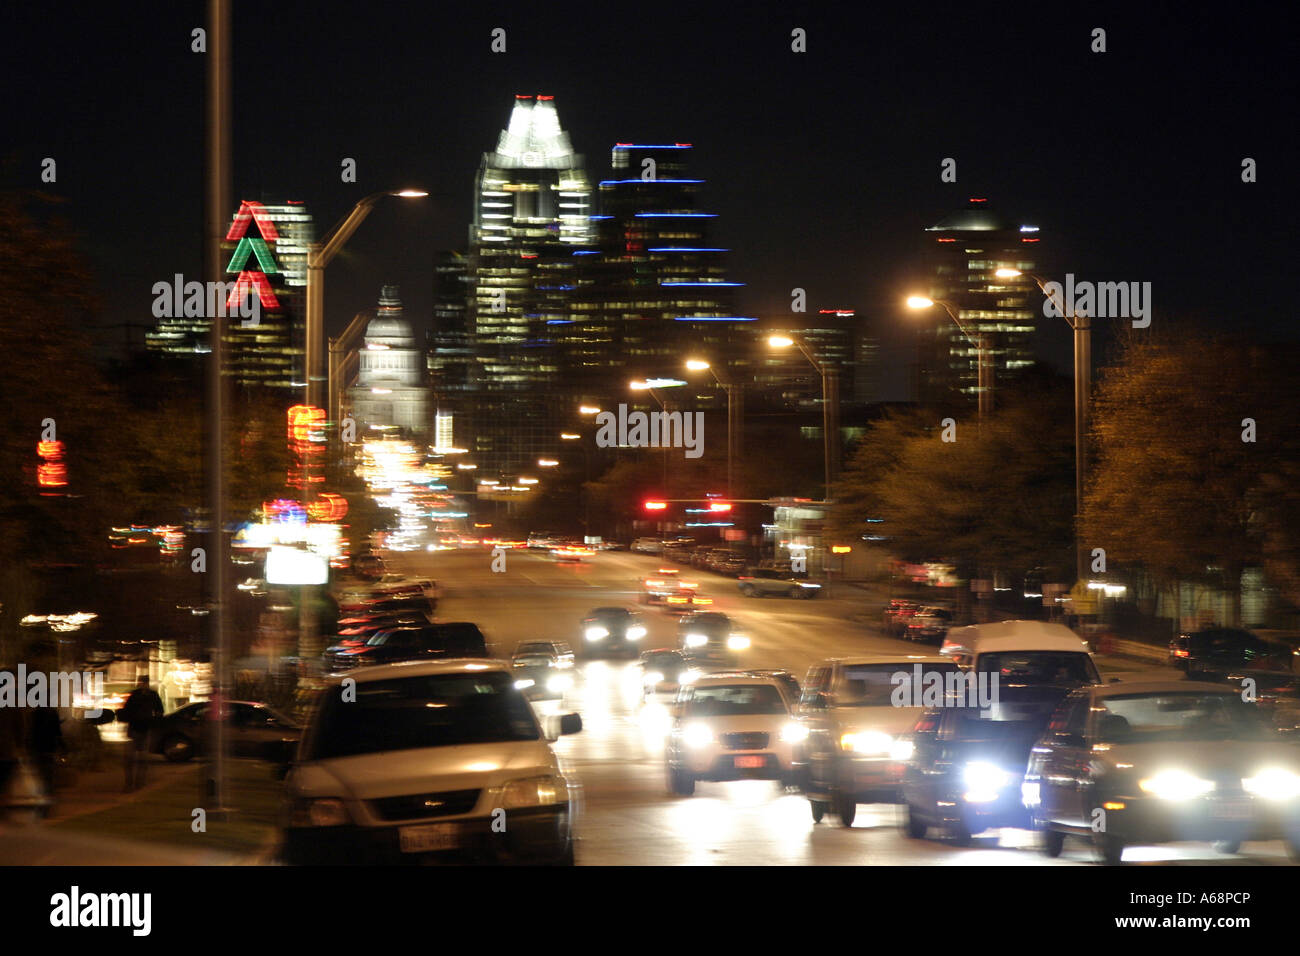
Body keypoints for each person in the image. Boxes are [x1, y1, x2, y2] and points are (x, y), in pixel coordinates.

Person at [119, 675, 163, 791]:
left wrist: (154, 721)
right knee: (131, 758)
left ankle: (138, 782)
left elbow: (159, 711)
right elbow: (126, 710)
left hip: (144, 728)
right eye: (141, 682)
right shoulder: (135, 695)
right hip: (135, 728)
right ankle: (131, 783)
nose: (142, 684)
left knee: (141, 758)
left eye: (143, 682)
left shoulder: (151, 695)